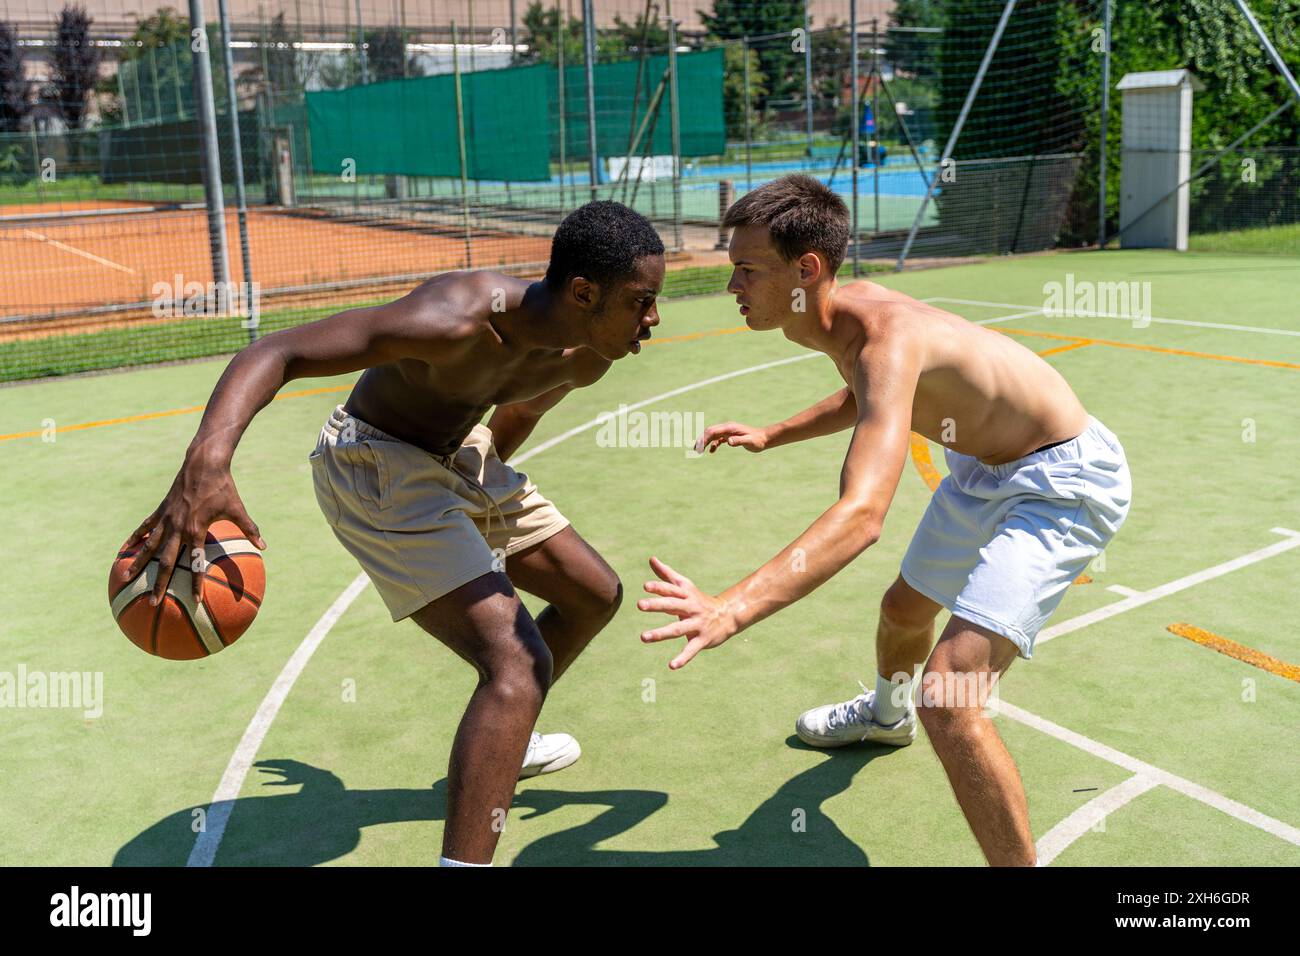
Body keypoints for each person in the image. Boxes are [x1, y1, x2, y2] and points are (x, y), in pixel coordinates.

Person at [121, 200, 666, 867]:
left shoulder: (589, 356)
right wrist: (206, 462)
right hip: (372, 464)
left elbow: (521, 401)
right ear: (584, 292)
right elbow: (279, 350)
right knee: (516, 665)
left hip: (457, 451)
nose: (654, 319)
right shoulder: (456, 318)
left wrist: (481, 488)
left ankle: (509, 736)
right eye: (642, 302)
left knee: (593, 594)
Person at [636, 175, 1130, 866]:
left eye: (746, 270)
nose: (732, 287)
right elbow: (869, 395)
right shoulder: (840, 315)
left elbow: (863, 514)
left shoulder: (883, 336)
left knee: (950, 697)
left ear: (806, 270)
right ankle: (885, 718)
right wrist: (775, 431)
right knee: (903, 613)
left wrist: (731, 607)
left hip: (1058, 482)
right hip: (983, 467)